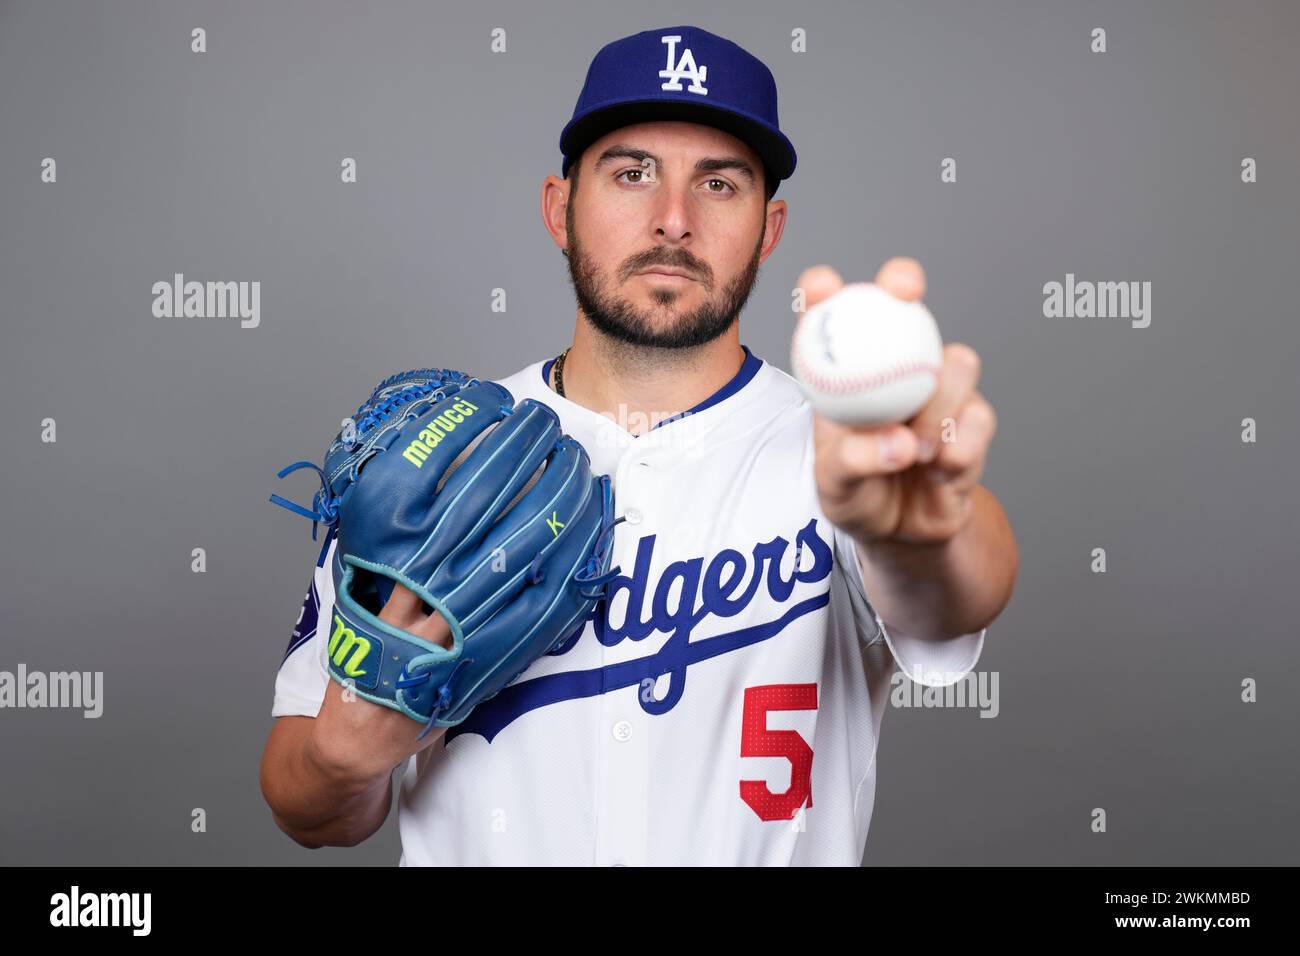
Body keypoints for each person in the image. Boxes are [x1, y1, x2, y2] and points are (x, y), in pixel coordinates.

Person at [259, 24, 1018, 865]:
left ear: (768, 230)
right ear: (560, 208)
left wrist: (922, 531)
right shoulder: (440, 458)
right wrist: (343, 757)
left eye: (719, 184)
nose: (672, 221)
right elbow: (304, 804)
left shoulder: (847, 457)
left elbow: (957, 593)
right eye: (631, 174)